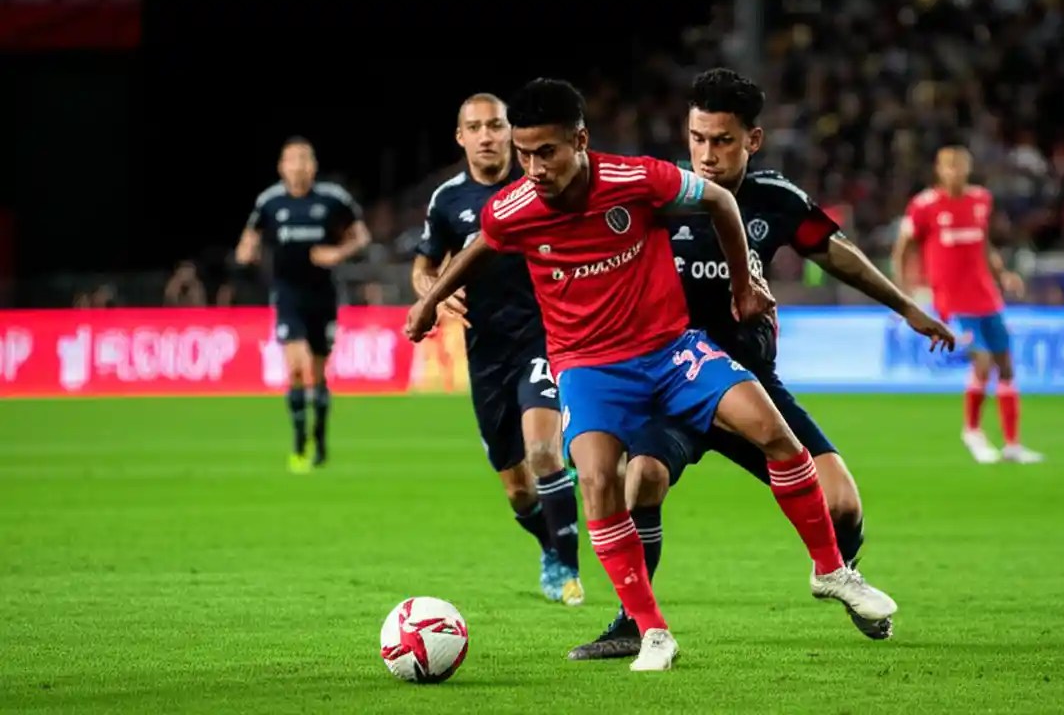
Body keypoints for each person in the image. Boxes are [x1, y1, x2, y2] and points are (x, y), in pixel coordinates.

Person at [405, 78, 922, 672]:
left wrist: (743, 286)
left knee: (776, 433)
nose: (534, 168)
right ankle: (650, 631)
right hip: (589, 367)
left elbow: (722, 202)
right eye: (524, 154)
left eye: (546, 152)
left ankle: (831, 570)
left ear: (580, 140)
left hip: (671, 352)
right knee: (600, 478)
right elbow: (483, 244)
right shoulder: (513, 206)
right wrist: (429, 301)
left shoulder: (638, 179)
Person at [568, 67, 955, 660]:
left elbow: (838, 254)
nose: (707, 154)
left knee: (843, 503)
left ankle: (839, 573)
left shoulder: (775, 199)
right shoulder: (659, 195)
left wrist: (906, 307)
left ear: (753, 139)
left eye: (722, 140)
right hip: (670, 383)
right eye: (697, 138)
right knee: (641, 479)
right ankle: (631, 621)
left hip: (750, 381)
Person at [410, 93, 582, 606]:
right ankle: (550, 546)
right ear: (460, 137)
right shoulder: (447, 200)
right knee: (518, 490)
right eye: (475, 127)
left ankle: (570, 570)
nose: (486, 135)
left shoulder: (540, 185)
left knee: (543, 450)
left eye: (495, 125)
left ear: (511, 132)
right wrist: (435, 293)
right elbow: (423, 268)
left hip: (542, 338)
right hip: (485, 352)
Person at [892, 146, 1044, 465]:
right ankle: (972, 431)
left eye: (960, 166)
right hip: (952, 300)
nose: (955, 172)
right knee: (982, 361)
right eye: (949, 166)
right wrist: (901, 293)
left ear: (968, 169)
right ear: (939, 170)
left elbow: (984, 244)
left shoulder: (980, 200)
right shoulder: (924, 205)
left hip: (986, 295)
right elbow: (903, 248)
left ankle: (1013, 444)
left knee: (1005, 364)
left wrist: (1003, 275)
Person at [236, 137, 370, 472]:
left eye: (304, 159)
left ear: (314, 165)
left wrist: (337, 253)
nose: (298, 166)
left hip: (323, 295)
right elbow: (249, 239)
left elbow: (361, 236)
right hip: (288, 295)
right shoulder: (270, 202)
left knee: (319, 373)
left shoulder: (333, 199)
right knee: (296, 368)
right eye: (292, 159)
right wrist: (246, 252)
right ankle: (299, 441)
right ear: (281, 167)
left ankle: (320, 437)